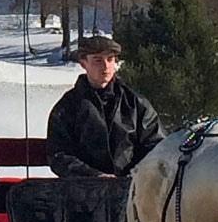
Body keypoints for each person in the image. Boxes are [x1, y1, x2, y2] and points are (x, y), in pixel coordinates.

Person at [45, 33, 162, 178]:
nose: (105, 66)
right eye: (97, 60)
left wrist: (134, 174)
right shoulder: (68, 107)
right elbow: (59, 155)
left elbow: (155, 146)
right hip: (84, 191)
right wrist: (94, 176)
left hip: (131, 188)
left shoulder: (136, 103)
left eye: (110, 59)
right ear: (83, 64)